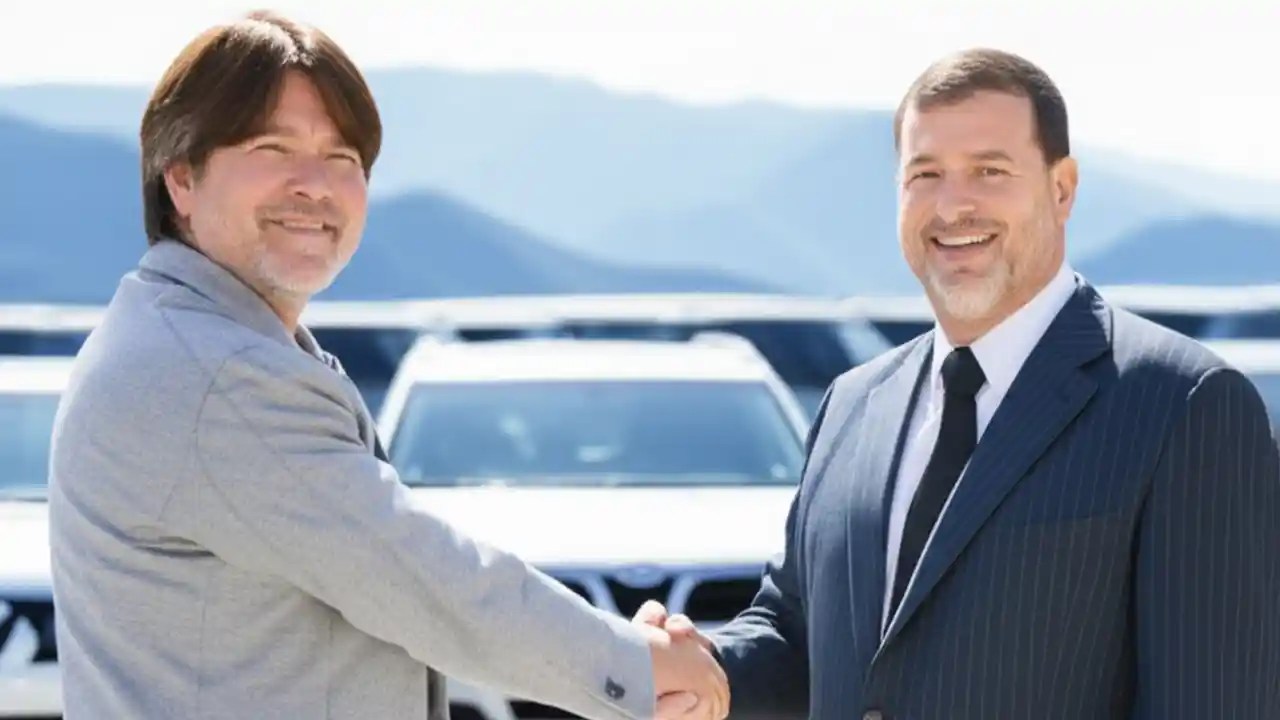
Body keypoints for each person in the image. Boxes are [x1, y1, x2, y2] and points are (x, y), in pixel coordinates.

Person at [46, 11, 727, 720]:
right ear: (181, 178)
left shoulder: (176, 334)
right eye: (273, 148)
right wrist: (638, 668)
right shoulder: (215, 375)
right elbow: (422, 579)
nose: (314, 185)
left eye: (343, 158)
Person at [639, 48, 1280, 719]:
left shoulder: (1185, 404)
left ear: (1062, 189)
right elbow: (798, 635)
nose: (954, 204)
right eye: (925, 173)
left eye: (989, 171)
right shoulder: (853, 406)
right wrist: (699, 669)